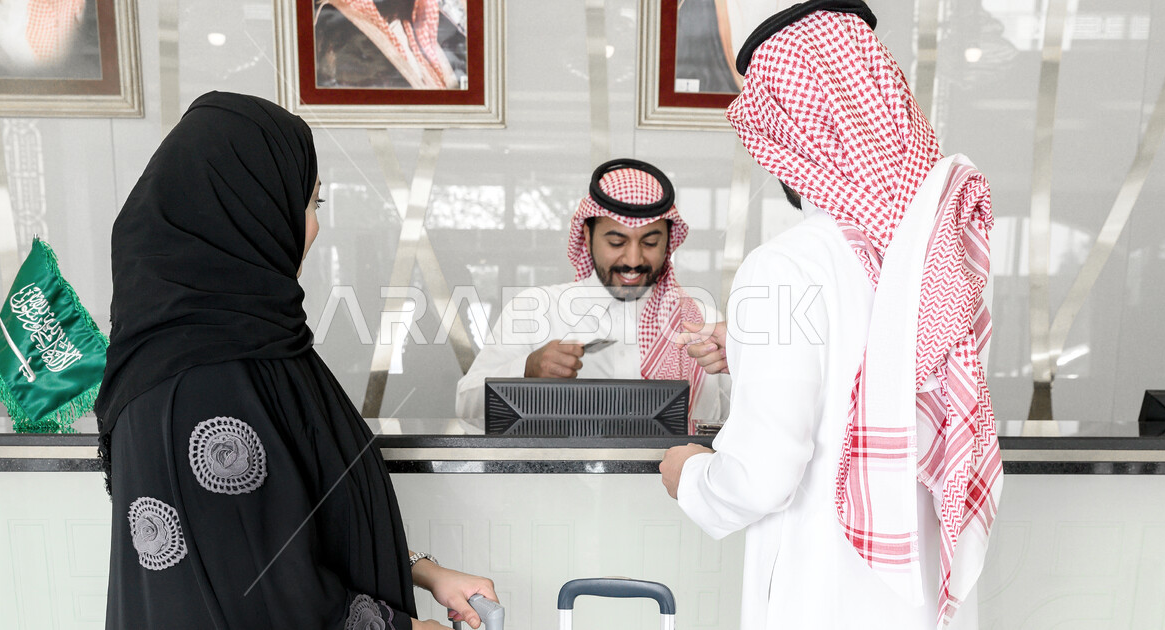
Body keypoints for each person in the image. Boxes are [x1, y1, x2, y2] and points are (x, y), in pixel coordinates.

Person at [95, 91, 497, 630]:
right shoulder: (196, 385)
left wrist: (425, 571)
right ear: (245, 211)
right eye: (307, 202)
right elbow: (256, 592)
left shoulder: (263, 348)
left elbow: (289, 525)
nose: (312, 226)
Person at [659, 3, 1003, 629]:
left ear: (785, 127)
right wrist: (748, 348)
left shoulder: (784, 267)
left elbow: (763, 475)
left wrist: (689, 478)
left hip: (822, 593)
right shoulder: (946, 258)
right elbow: (888, 369)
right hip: (921, 596)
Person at [455, 159, 728, 428]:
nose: (633, 259)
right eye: (616, 242)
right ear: (587, 235)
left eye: (650, 242)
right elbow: (467, 406)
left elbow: (741, 420)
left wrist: (740, 362)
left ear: (668, 241)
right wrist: (526, 370)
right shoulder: (535, 309)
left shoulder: (704, 323)